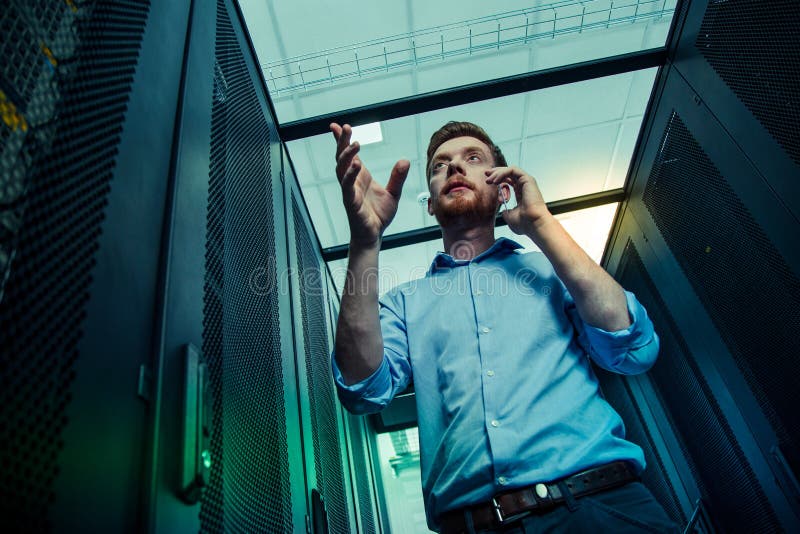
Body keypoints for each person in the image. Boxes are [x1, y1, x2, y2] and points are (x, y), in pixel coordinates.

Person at [329, 120, 678, 533]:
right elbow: (362, 391)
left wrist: (539, 222)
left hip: (602, 508)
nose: (455, 169)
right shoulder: (403, 303)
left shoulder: (555, 270)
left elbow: (634, 349)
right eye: (440, 166)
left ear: (503, 189)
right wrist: (365, 242)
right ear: (429, 204)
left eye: (472, 159)